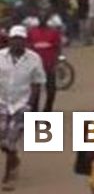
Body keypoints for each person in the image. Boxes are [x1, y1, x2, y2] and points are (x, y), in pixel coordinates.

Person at [0, 26, 44, 191]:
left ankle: (8, 175)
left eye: (20, 39)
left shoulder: (34, 59)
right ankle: (15, 158)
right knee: (2, 137)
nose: (17, 42)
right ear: (9, 40)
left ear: (25, 41)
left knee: (11, 139)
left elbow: (37, 83)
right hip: (2, 102)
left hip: (22, 104)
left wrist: (30, 105)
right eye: (14, 39)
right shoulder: (0, 57)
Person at [26, 14, 62, 112]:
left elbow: (58, 47)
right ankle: (34, 111)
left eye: (44, 18)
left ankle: (48, 109)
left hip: (49, 65)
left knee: (51, 91)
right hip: (34, 66)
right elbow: (27, 47)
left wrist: (56, 61)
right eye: (40, 17)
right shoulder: (31, 32)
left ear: (47, 20)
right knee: (35, 91)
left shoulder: (54, 32)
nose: (42, 19)